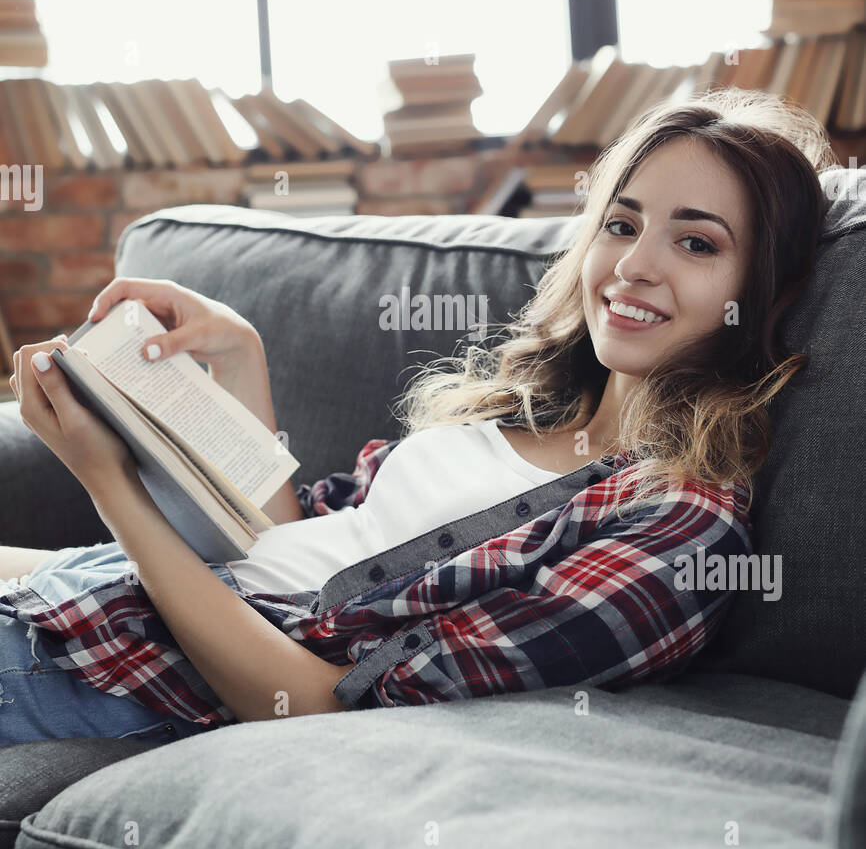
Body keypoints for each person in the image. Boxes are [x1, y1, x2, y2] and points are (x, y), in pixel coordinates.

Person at [0, 88, 836, 745]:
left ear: (762, 289)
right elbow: (293, 551)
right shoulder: (510, 415)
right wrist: (242, 362)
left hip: (104, 666)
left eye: (697, 244)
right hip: (83, 595)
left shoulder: (681, 531)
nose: (635, 266)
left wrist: (110, 485)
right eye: (622, 224)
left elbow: (318, 706)